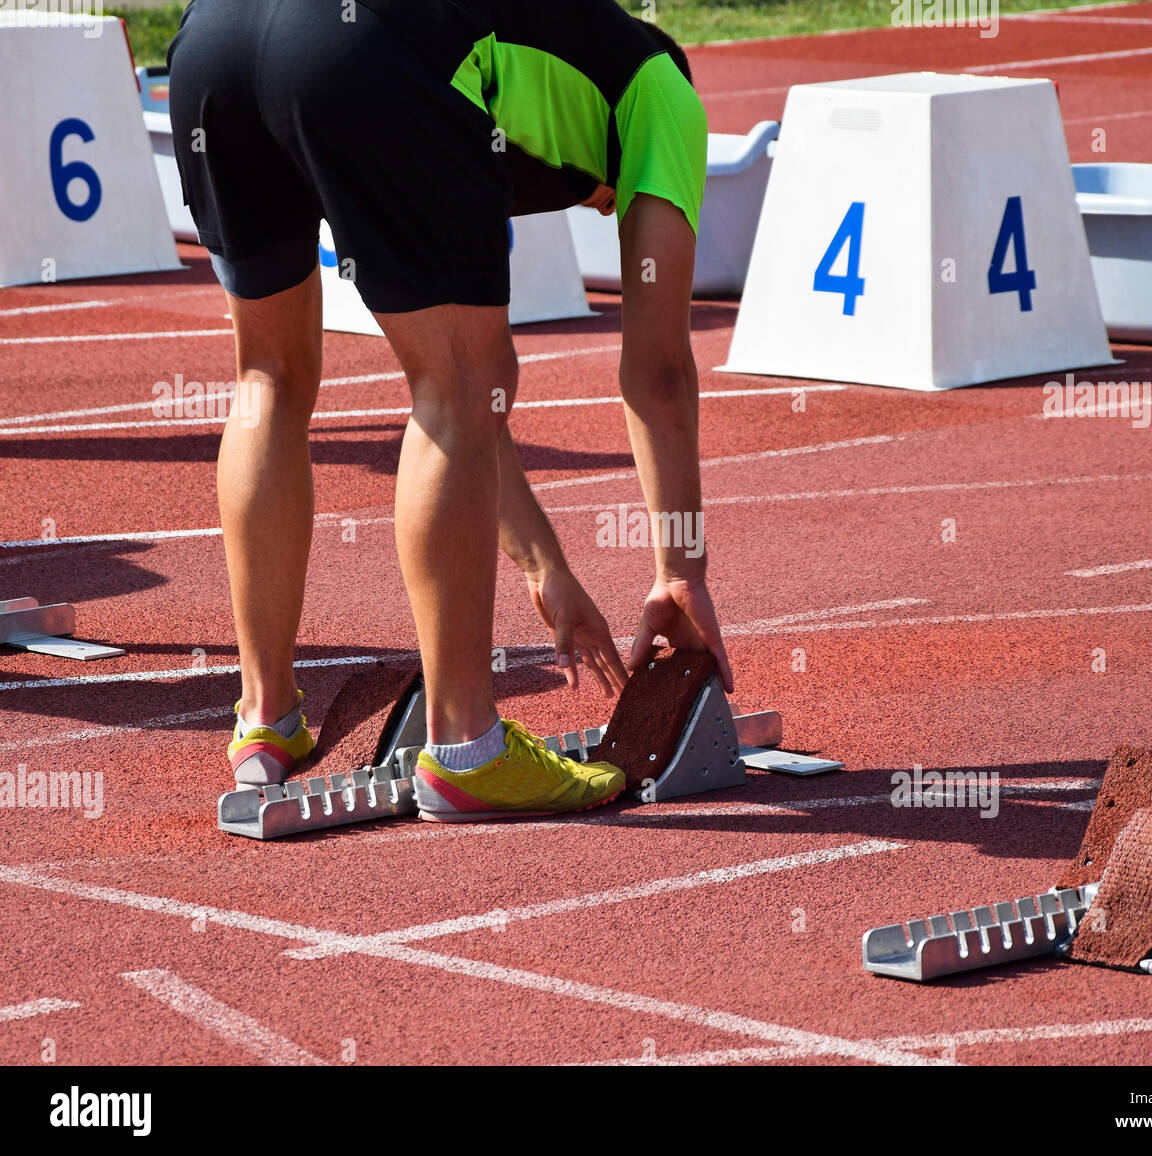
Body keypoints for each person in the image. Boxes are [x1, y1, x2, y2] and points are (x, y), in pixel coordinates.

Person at [167, 0, 733, 821]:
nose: (608, 212)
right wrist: (681, 572)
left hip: (215, 38)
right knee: (459, 380)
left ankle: (265, 720)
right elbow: (659, 374)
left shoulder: (514, 77)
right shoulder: (666, 98)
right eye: (614, 206)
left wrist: (547, 573)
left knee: (271, 377)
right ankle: (467, 747)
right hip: (352, 45)